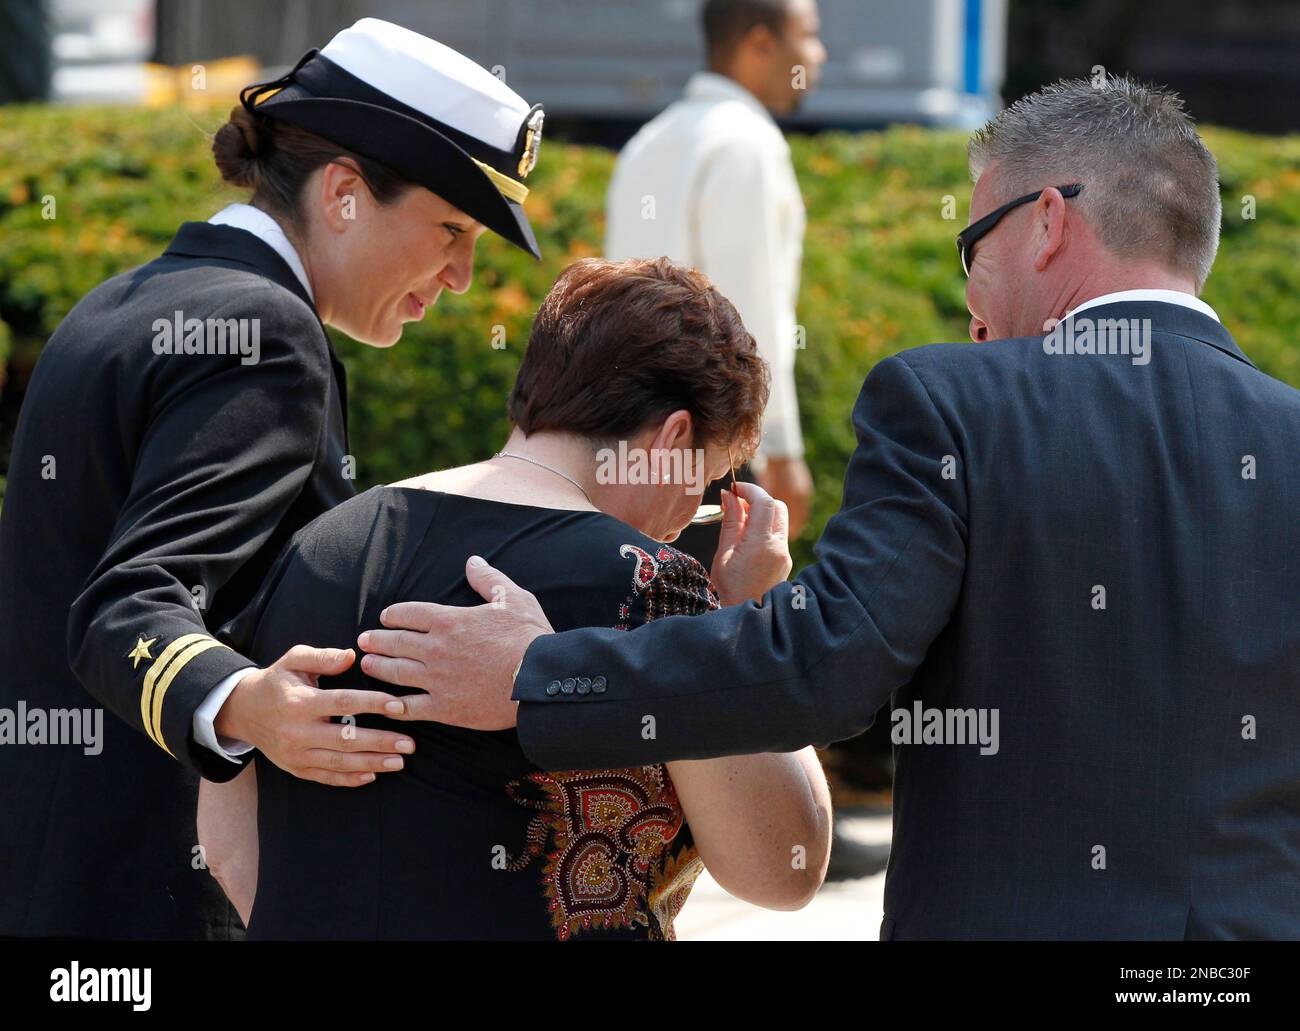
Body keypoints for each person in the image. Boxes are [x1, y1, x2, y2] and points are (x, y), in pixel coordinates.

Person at [361, 77, 1300, 939]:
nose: (971, 304)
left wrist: (538, 672)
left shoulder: (956, 403)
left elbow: (824, 666)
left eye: (973, 245)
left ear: (1047, 222)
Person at [0, 18, 546, 939]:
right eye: (453, 228)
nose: (461, 275)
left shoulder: (126, 300)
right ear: (343, 193)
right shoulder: (266, 336)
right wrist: (253, 703)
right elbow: (127, 606)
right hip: (146, 902)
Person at [197, 258, 831, 940]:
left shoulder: (314, 549)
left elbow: (230, 846)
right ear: (672, 439)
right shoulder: (652, 584)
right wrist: (744, 622)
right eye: (702, 481)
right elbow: (783, 866)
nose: (684, 518)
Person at [605, 0, 825, 547]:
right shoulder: (746, 144)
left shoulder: (649, 140)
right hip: (715, 443)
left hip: (625, 441)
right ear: (760, 44)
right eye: (810, 36)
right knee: (715, 626)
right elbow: (752, 310)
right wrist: (778, 448)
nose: (817, 56)